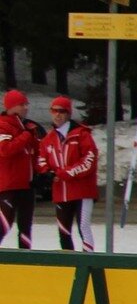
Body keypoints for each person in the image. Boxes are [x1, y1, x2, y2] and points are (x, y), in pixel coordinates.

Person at [39, 96, 98, 252]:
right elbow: (41, 160)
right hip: (61, 192)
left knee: (83, 227)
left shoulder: (81, 134)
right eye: (54, 111)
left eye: (62, 111)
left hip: (82, 190)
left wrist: (66, 173)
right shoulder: (48, 139)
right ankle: (69, 265)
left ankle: (88, 261)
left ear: (68, 114)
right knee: (63, 231)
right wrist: (48, 173)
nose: (57, 115)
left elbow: (89, 160)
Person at [0, 89, 37, 248]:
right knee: (5, 222)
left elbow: (33, 152)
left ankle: (26, 258)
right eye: (22, 104)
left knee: (25, 225)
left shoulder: (25, 125)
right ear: (11, 107)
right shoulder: (3, 125)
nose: (26, 107)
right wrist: (26, 136)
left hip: (26, 184)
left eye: (26, 104)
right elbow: (5, 150)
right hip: (9, 184)